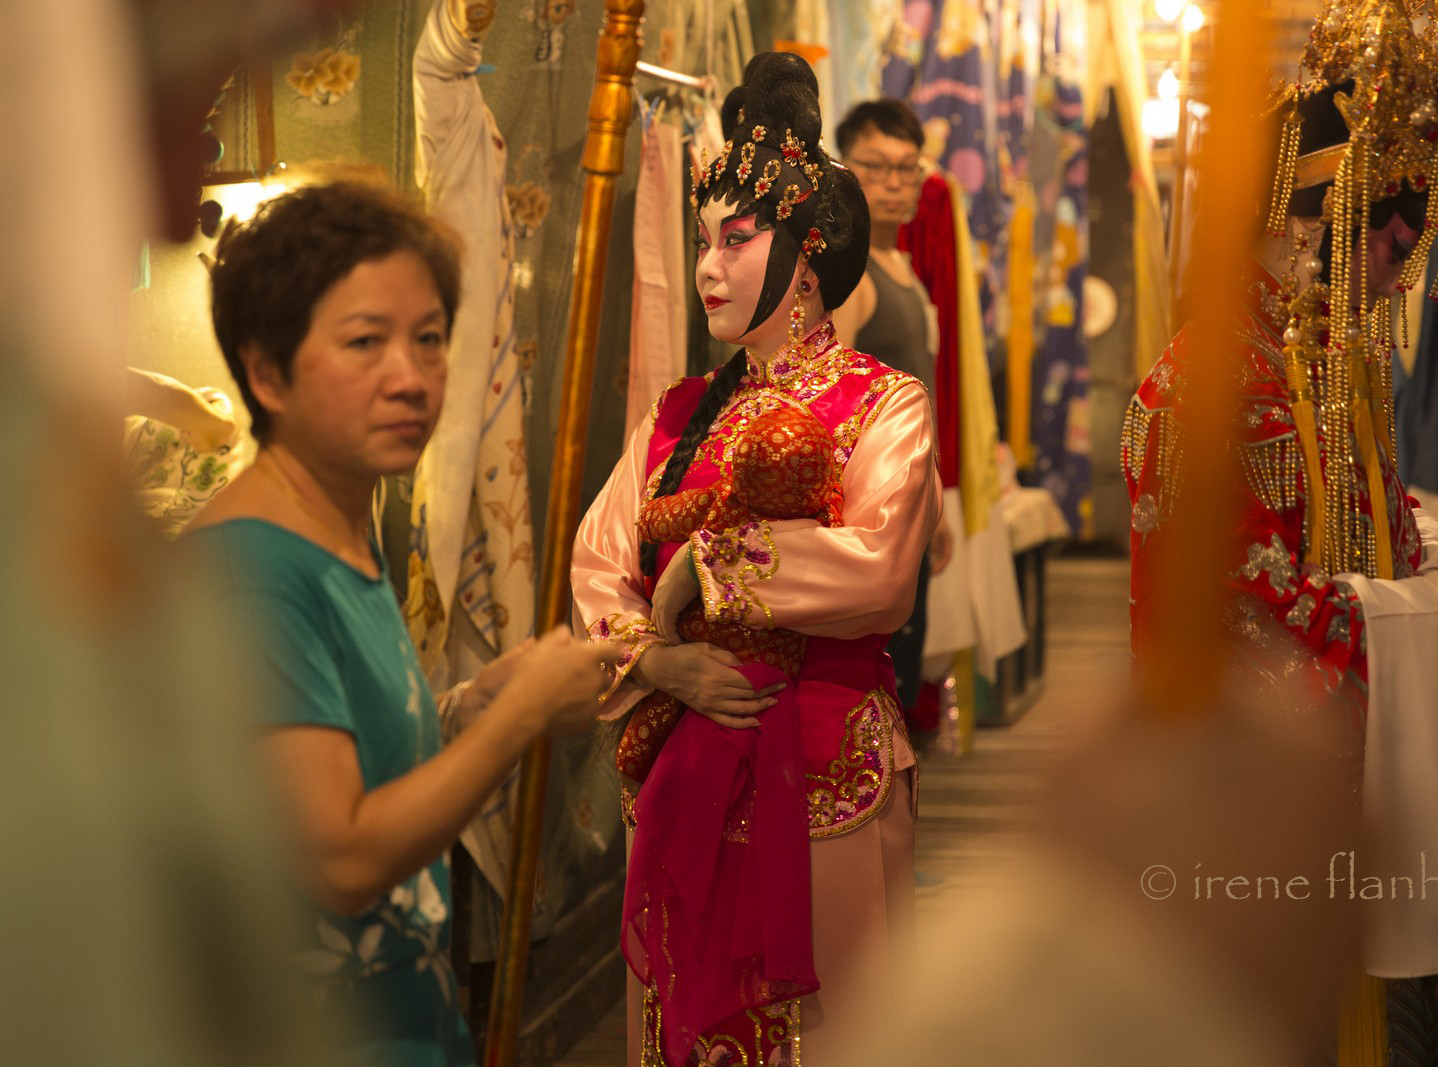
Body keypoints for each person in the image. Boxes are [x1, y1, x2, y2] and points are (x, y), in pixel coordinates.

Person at [1122, 0, 1438, 1059]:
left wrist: (1419, 573)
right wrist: (1409, 618)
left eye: (1414, 238)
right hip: (1277, 801)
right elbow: (1237, 605)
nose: (1400, 262)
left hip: (1372, 777)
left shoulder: (1328, 356)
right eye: (1386, 228)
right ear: (1312, 214)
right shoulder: (1208, 383)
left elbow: (1375, 529)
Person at [185, 180, 616, 1066]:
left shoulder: (337, 518)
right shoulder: (249, 571)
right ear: (267, 373)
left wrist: (461, 706)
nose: (411, 378)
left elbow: (338, 741)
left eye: (427, 340)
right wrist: (519, 716)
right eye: (365, 343)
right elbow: (338, 857)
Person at [571, 52, 940, 1067]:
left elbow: (876, 571)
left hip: (825, 777)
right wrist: (657, 659)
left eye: (736, 239)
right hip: (688, 767)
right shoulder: (674, 416)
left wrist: (707, 568)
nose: (707, 267)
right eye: (702, 240)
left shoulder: (885, 405)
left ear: (808, 254)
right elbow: (597, 566)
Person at [833, 98, 953, 721]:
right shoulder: (850, 276)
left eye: (907, 169)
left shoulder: (900, 265)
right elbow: (832, 402)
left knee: (902, 673)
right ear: (843, 169)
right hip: (870, 516)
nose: (893, 183)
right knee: (878, 690)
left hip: (908, 503)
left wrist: (933, 499)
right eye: (876, 167)